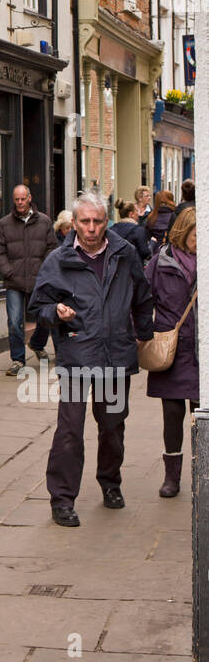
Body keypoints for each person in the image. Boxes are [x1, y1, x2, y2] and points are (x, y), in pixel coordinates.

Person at [28, 192, 154, 527]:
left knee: (112, 426)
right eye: (85, 221)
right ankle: (62, 499)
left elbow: (142, 297)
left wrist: (144, 332)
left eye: (98, 221)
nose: (92, 228)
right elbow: (37, 308)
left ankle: (110, 483)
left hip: (115, 357)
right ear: (75, 222)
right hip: (76, 357)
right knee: (69, 431)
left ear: (106, 221)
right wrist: (55, 310)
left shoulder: (124, 254)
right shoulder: (59, 259)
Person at [145, 206, 198, 498]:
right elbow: (142, 299)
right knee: (173, 413)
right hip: (172, 348)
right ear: (183, 232)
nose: (199, 239)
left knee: (201, 414)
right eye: (195, 234)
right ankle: (172, 477)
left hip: (201, 351)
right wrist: (141, 335)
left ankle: (202, 473)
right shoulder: (161, 261)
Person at [0, 185, 58, 376]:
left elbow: (52, 249)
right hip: (14, 281)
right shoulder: (4, 224)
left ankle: (37, 344)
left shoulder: (44, 221)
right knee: (14, 321)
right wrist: (7, 271)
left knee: (46, 317)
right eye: (16, 199)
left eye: (22, 199)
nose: (19, 202)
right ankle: (18, 360)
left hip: (39, 280)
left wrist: (44, 271)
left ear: (29, 198)